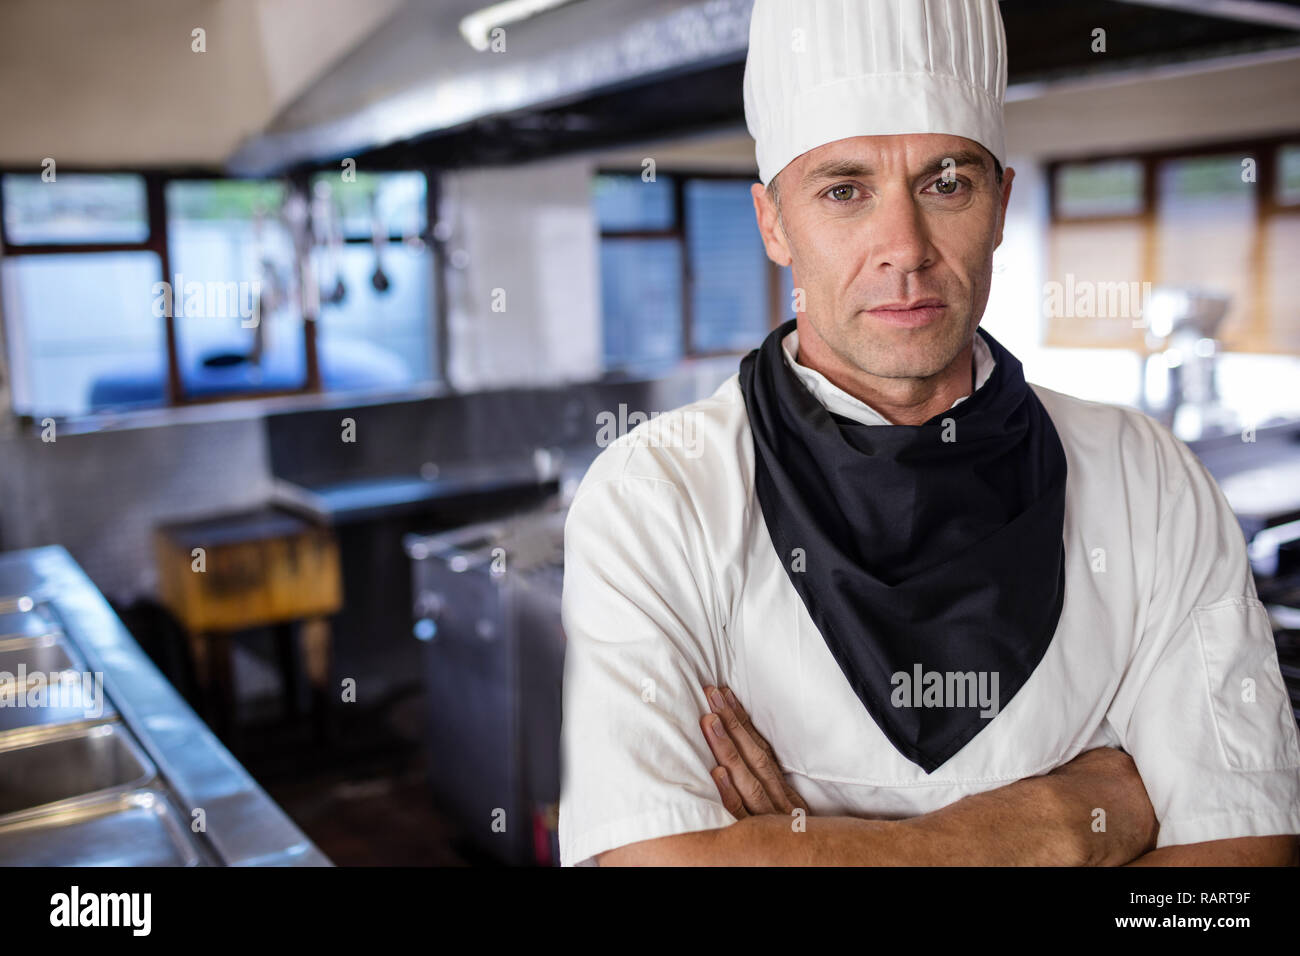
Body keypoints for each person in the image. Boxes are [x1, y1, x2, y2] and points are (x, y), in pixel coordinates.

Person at [557, 0, 1300, 866]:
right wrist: (1052, 827)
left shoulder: (1147, 479)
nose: (902, 248)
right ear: (772, 224)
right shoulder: (656, 495)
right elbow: (657, 863)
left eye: (946, 182)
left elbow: (1231, 874)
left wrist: (802, 848)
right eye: (844, 191)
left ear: (999, 204)